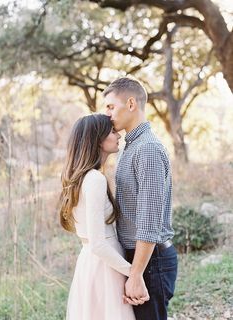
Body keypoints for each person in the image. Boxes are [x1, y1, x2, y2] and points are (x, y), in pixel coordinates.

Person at [104, 77, 178, 320]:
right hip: (140, 260)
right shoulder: (129, 146)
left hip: (150, 262)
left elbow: (148, 222)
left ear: (132, 103)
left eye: (111, 107)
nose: (107, 114)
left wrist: (136, 275)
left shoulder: (147, 149)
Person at [58, 114, 136, 320]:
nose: (118, 134)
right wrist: (135, 274)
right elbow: (98, 244)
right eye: (111, 131)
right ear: (98, 139)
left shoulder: (81, 178)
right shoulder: (94, 180)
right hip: (105, 266)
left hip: (93, 263)